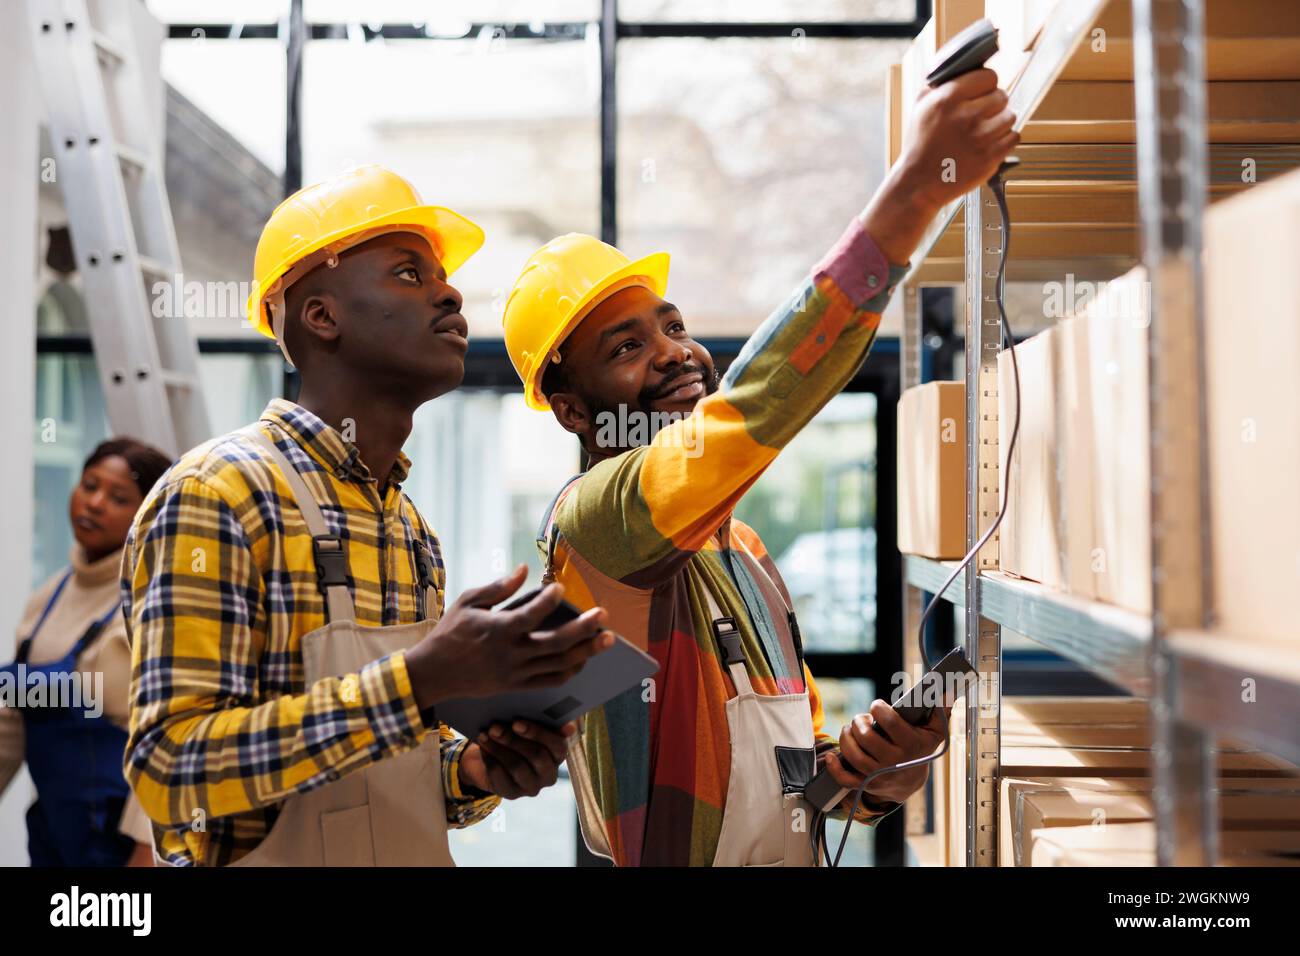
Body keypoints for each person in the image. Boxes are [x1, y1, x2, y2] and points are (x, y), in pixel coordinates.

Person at [501, 69, 1019, 866]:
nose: (675, 352)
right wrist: (912, 192)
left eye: (671, 325)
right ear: (574, 411)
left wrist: (875, 775)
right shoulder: (593, 528)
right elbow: (756, 407)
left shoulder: (744, 554)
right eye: (628, 348)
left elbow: (804, 782)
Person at [121, 165, 612, 866]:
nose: (449, 291)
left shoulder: (410, 534)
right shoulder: (219, 495)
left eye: (441, 275)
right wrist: (418, 681)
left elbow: (398, 775)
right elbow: (172, 775)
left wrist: (473, 770)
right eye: (410, 275)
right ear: (322, 317)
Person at [1, 438, 171, 866]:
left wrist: (147, 845)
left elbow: (168, 737)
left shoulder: (151, 601)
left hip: (120, 847)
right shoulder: (48, 597)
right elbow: (12, 722)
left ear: (146, 513)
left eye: (117, 498)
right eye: (89, 485)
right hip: (53, 837)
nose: (94, 503)